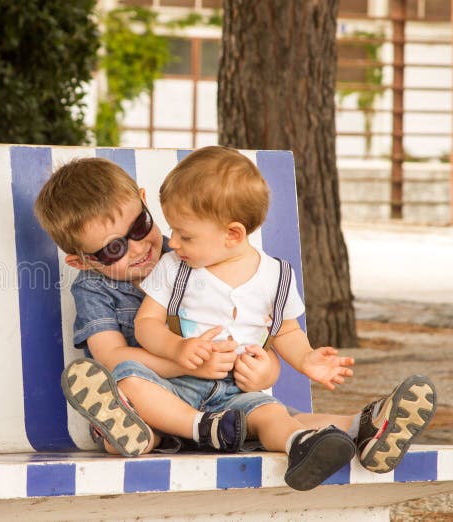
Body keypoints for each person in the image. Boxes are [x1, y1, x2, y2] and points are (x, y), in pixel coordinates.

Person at [33, 153, 437, 489]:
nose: (140, 248)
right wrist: (185, 359)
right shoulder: (97, 288)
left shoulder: (199, 253)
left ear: (145, 202)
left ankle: (362, 428)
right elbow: (112, 355)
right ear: (81, 261)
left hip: (228, 399)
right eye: (114, 249)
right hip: (155, 401)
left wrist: (268, 368)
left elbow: (265, 333)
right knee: (127, 382)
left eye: (140, 226)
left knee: (274, 416)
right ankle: (149, 431)